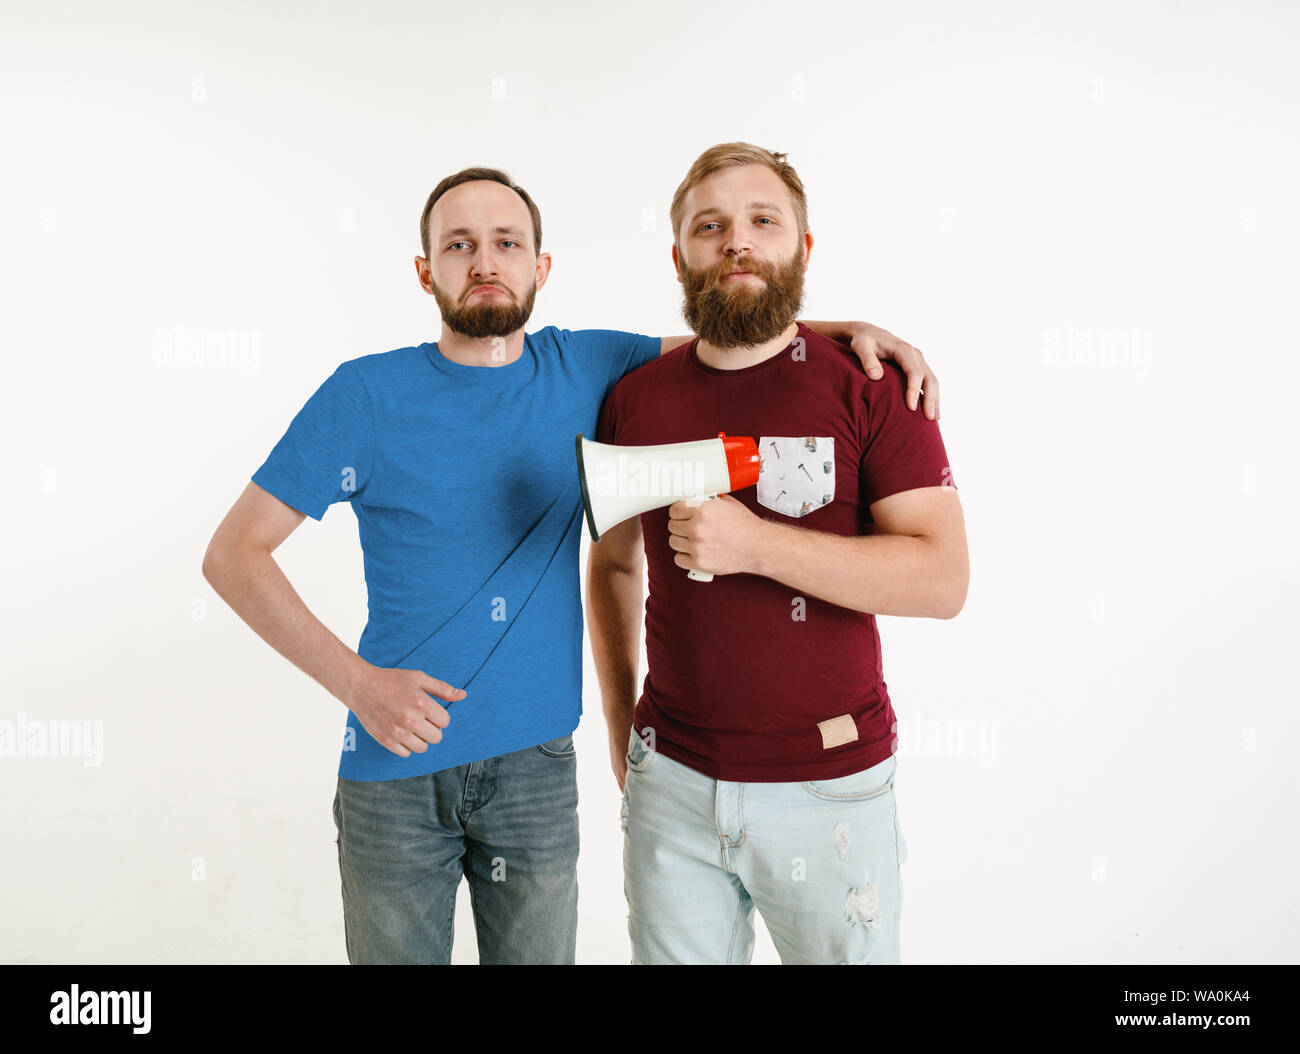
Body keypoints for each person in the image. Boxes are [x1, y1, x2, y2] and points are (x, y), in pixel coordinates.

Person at [201, 163, 941, 965]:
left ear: (539, 268)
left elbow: (739, 332)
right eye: (459, 245)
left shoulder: (589, 367)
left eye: (507, 243)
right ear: (426, 272)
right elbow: (234, 554)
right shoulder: (364, 395)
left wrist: (856, 330)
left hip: (537, 774)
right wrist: (357, 685)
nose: (485, 262)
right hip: (395, 770)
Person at [588, 142, 969, 965]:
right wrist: (623, 728)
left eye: (764, 220)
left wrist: (756, 544)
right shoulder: (634, 397)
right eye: (710, 226)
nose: (738, 241)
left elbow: (943, 578)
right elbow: (614, 564)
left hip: (831, 789)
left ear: (803, 245)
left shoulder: (871, 385)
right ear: (681, 255)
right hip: (673, 789)